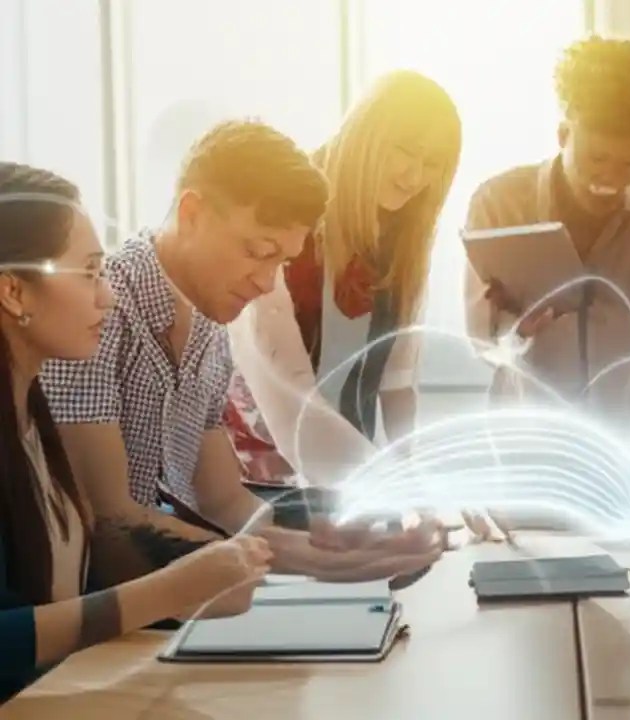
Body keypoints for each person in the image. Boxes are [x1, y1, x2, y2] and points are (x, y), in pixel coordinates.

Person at [40, 120, 446, 584]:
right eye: (258, 251)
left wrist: (322, 552)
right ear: (192, 213)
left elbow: (225, 503)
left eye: (283, 262)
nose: (267, 282)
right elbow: (112, 521)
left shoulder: (211, 329)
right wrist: (304, 559)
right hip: (105, 609)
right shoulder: (97, 313)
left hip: (174, 596)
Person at [0, 162, 272, 702]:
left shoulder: (31, 416)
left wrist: (206, 576)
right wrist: (165, 591)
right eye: (90, 273)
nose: (108, 297)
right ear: (13, 292)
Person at [464, 35, 630, 433]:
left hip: (628, 451)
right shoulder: (499, 203)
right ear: (563, 134)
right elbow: (483, 341)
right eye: (596, 158)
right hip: (524, 449)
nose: (612, 178)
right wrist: (516, 333)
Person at [226, 70, 462, 487]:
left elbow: (397, 383)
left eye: (432, 164)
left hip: (355, 483)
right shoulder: (287, 216)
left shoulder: (402, 240)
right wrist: (397, 489)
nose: (415, 176)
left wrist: (422, 482)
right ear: (366, 135)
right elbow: (289, 391)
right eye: (406, 151)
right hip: (262, 482)